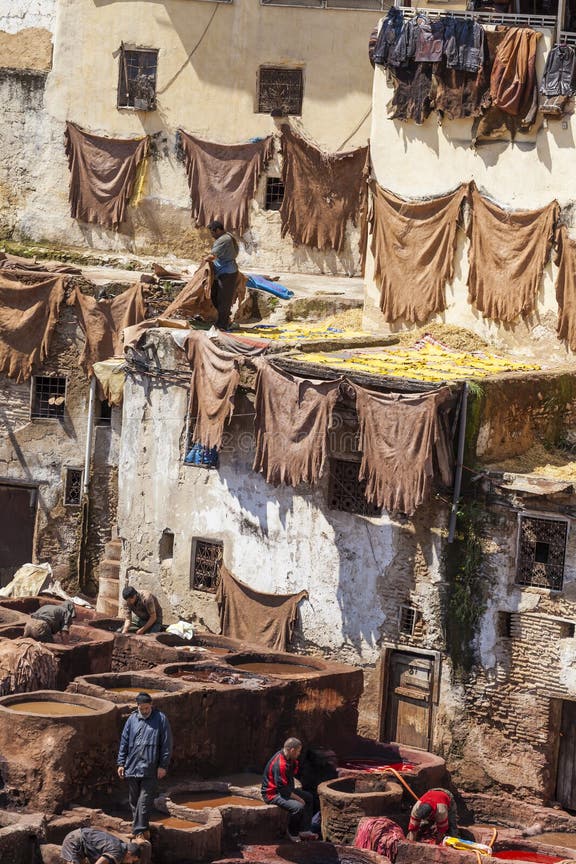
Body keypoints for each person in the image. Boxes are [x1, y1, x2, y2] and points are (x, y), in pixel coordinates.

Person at [117, 692, 173, 840]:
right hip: (132, 766)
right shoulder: (132, 719)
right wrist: (121, 763)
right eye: (142, 709)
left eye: (147, 708)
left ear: (151, 706)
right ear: (138, 706)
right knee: (134, 801)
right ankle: (141, 830)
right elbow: (124, 742)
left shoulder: (161, 719)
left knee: (144, 801)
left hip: (151, 768)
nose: (145, 711)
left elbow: (166, 745)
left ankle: (139, 832)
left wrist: (163, 765)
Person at [261, 737, 317, 841]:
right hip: (272, 794)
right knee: (298, 807)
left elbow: (292, 775)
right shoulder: (280, 764)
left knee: (309, 797)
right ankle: (293, 833)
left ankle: (304, 830)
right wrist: (299, 799)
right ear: (292, 750)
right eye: (298, 751)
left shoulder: (291, 759)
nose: (299, 754)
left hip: (286, 789)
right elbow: (283, 791)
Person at [207, 220, 239, 331]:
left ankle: (222, 324)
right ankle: (224, 319)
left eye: (213, 233)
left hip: (227, 273)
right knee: (214, 295)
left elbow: (212, 256)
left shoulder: (224, 239)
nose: (212, 235)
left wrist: (204, 261)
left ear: (218, 230)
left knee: (224, 300)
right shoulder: (228, 236)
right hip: (222, 271)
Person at [60, 827, 141, 864]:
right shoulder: (118, 852)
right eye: (132, 860)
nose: (130, 863)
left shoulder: (119, 845)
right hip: (75, 841)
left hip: (78, 838)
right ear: (129, 853)